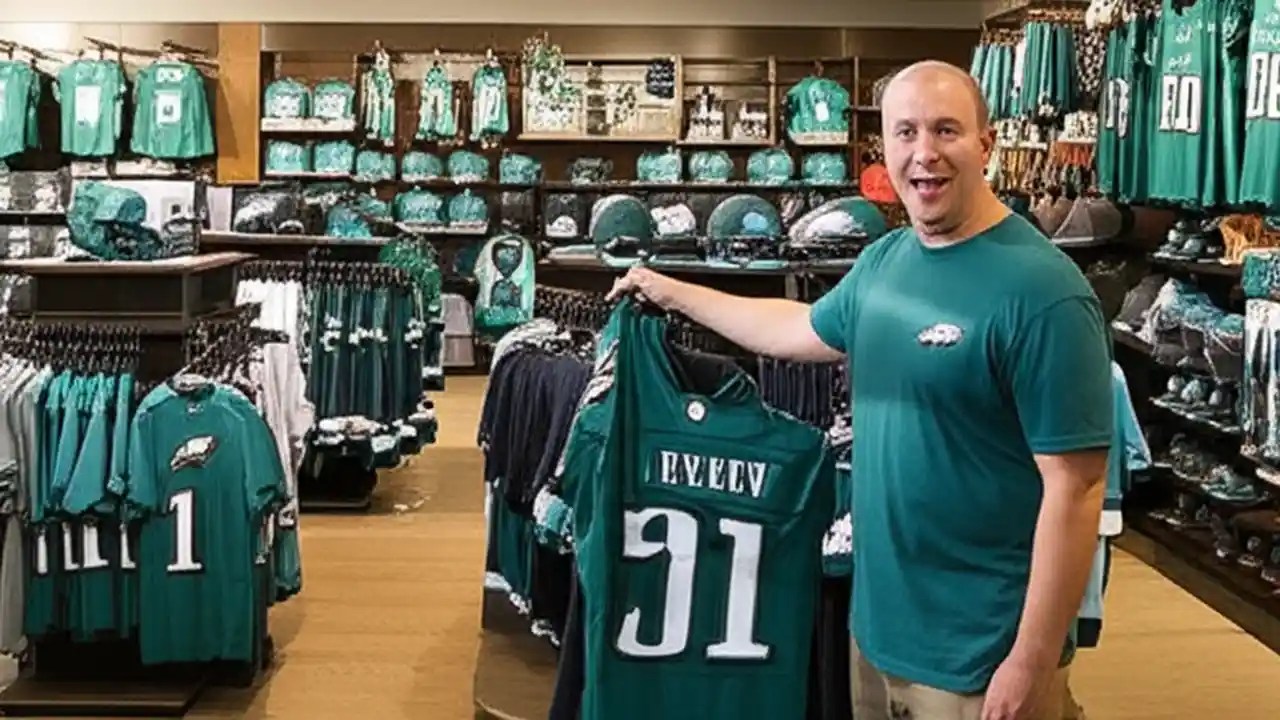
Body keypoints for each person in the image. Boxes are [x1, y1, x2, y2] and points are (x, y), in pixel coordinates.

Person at [608, 60, 1112, 720]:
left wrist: (1033, 659)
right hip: (876, 637)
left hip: (979, 658)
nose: (924, 154)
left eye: (946, 130)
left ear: (986, 145)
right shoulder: (884, 261)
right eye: (905, 133)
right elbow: (794, 329)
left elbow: (1076, 492)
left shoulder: (1045, 293)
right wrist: (671, 289)